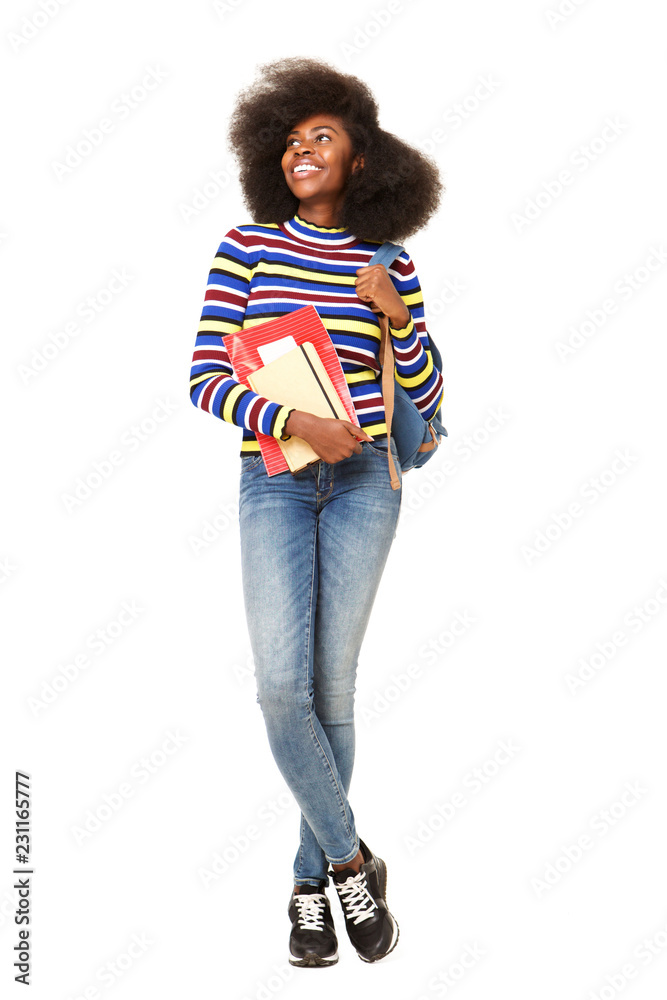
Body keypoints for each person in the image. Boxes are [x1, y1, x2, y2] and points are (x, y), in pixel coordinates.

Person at [189, 57, 444, 967]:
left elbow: (424, 391)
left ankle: (304, 886)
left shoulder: (390, 263)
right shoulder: (244, 248)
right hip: (277, 478)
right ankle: (349, 859)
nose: (303, 150)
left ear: (361, 161)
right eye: (291, 141)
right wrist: (295, 420)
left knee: (330, 690)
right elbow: (205, 379)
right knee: (280, 688)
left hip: (369, 484)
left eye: (321, 138)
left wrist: (398, 316)